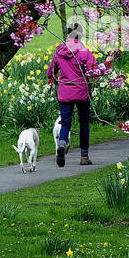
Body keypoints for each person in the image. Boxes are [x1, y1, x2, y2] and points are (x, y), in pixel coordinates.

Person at [47, 19, 97, 167]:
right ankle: (84, 156)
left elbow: (50, 72)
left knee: (65, 123)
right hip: (81, 91)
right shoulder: (84, 52)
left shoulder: (59, 51)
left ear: (68, 34)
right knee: (83, 124)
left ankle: (61, 145)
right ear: (79, 36)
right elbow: (93, 72)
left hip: (64, 92)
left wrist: (55, 78)